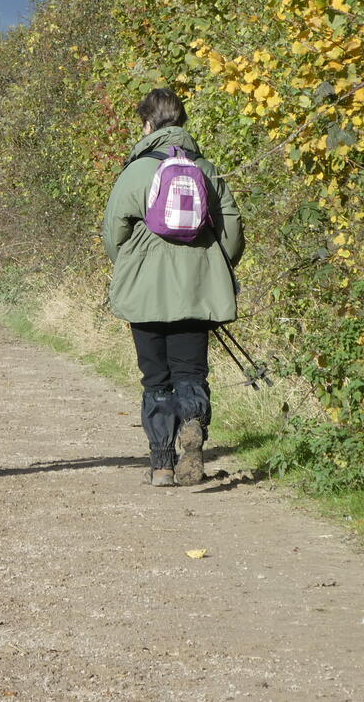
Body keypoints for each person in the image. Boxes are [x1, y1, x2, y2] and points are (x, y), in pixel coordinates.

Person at [102, 88, 244, 487]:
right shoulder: (206, 167)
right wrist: (217, 265)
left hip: (145, 289)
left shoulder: (136, 171)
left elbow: (114, 231)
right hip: (198, 288)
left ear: (147, 124)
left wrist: (130, 266)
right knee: (190, 372)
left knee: (155, 377)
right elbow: (231, 228)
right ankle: (193, 426)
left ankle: (162, 464)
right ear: (181, 123)